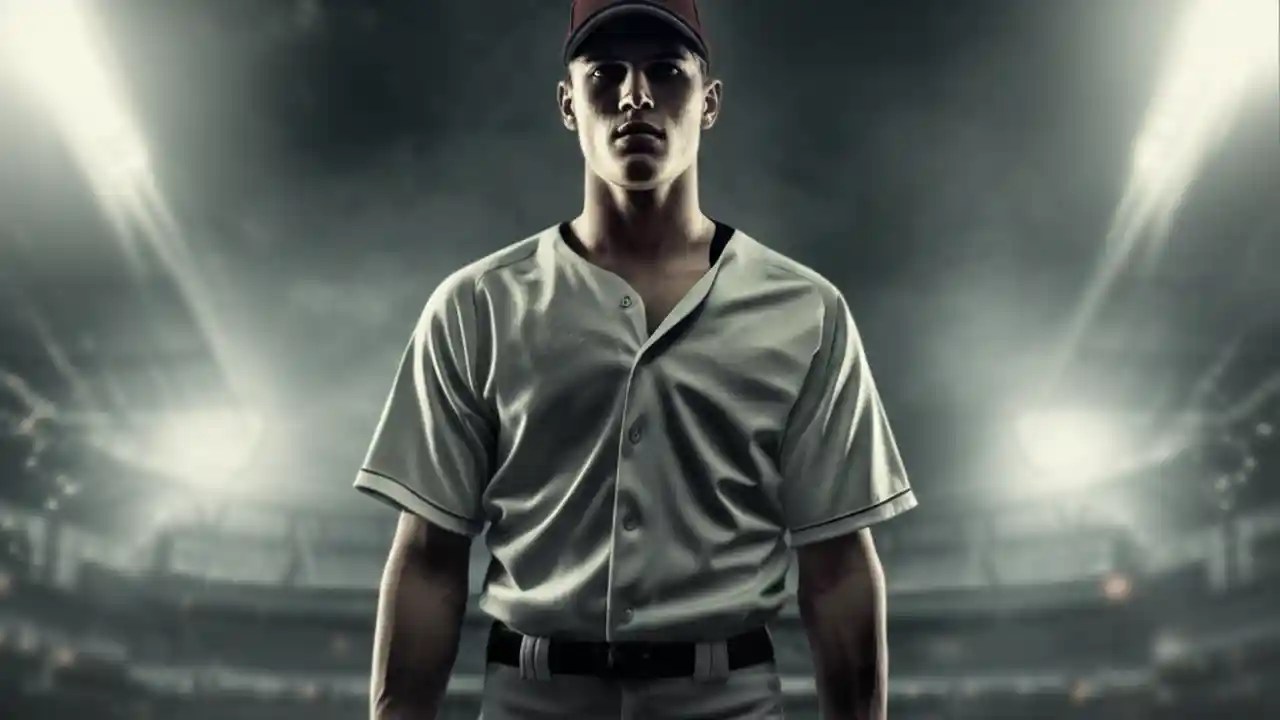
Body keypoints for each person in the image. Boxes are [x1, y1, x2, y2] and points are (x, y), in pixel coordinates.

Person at [354, 1, 918, 718]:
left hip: (727, 699)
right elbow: (430, 561)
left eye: (665, 71)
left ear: (709, 103)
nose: (635, 96)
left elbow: (838, 568)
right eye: (606, 73)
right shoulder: (477, 305)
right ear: (568, 104)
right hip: (533, 697)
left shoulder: (806, 311)